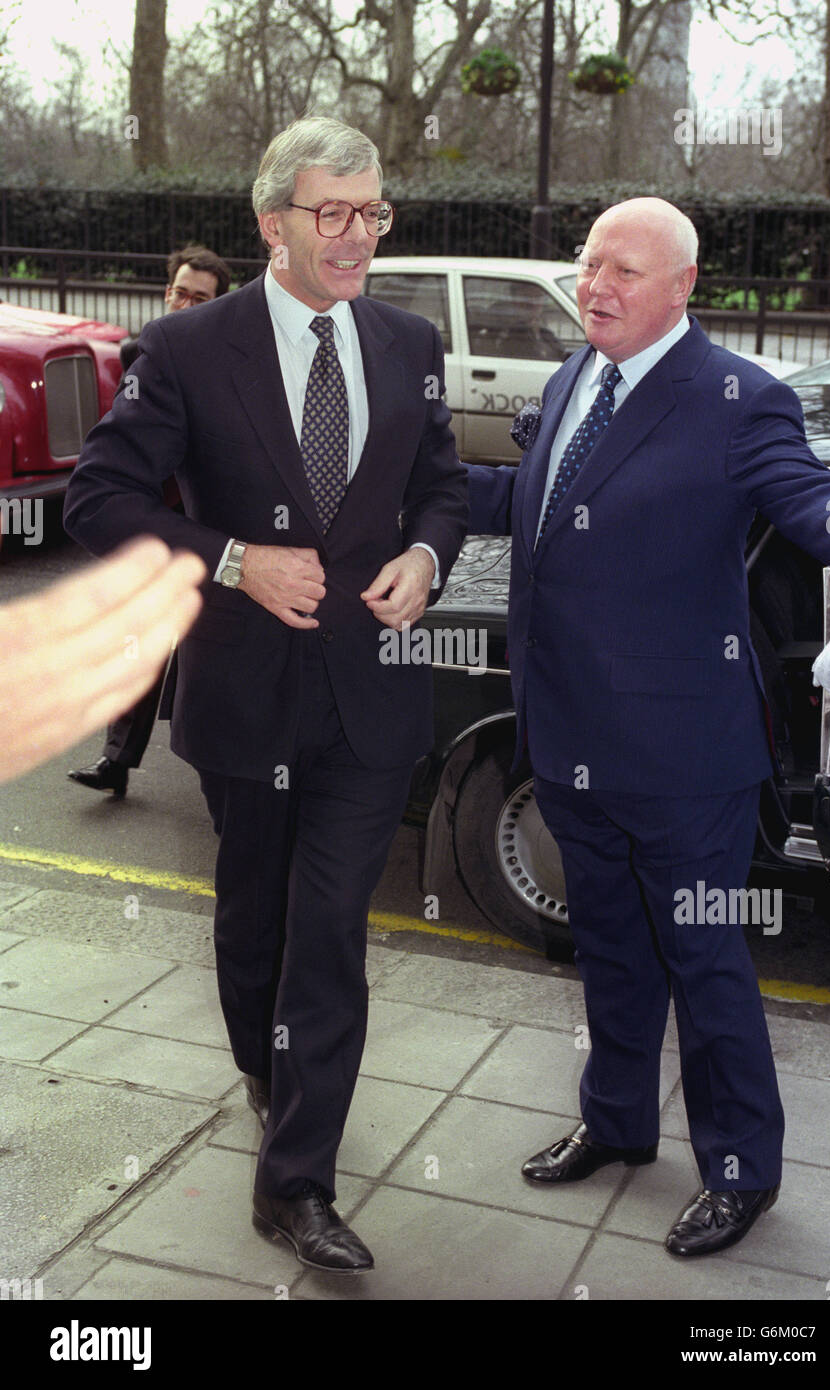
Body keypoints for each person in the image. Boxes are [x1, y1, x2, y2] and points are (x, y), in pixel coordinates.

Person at [63, 116, 467, 1274]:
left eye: (372, 211)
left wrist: (425, 558)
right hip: (246, 697)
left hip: (370, 701)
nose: (356, 236)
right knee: (252, 930)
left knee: (330, 935)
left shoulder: (405, 341)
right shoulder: (191, 349)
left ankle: (294, 1182)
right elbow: (98, 500)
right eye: (330, 212)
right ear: (271, 223)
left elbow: (440, 485)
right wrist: (237, 557)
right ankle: (266, 1067)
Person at [465, 196, 830, 1259]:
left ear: (682, 287)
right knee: (607, 951)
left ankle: (739, 1172)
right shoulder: (569, 379)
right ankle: (616, 1123)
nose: (593, 284)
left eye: (623, 270)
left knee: (706, 965)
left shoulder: (737, 400)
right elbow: (536, 503)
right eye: (588, 262)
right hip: (568, 738)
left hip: (688, 761)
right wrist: (401, 503)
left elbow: (817, 504)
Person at [68, 244, 233, 797]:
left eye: (200, 298)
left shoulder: (226, 366)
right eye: (179, 292)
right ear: (167, 291)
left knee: (212, 653)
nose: (185, 304)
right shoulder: (137, 353)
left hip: (210, 526)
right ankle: (116, 761)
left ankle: (236, 770)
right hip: (156, 522)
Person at [0, 538, 204, 784]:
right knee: (138, 652)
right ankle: (116, 761)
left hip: (216, 548)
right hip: (164, 543)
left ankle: (219, 767)